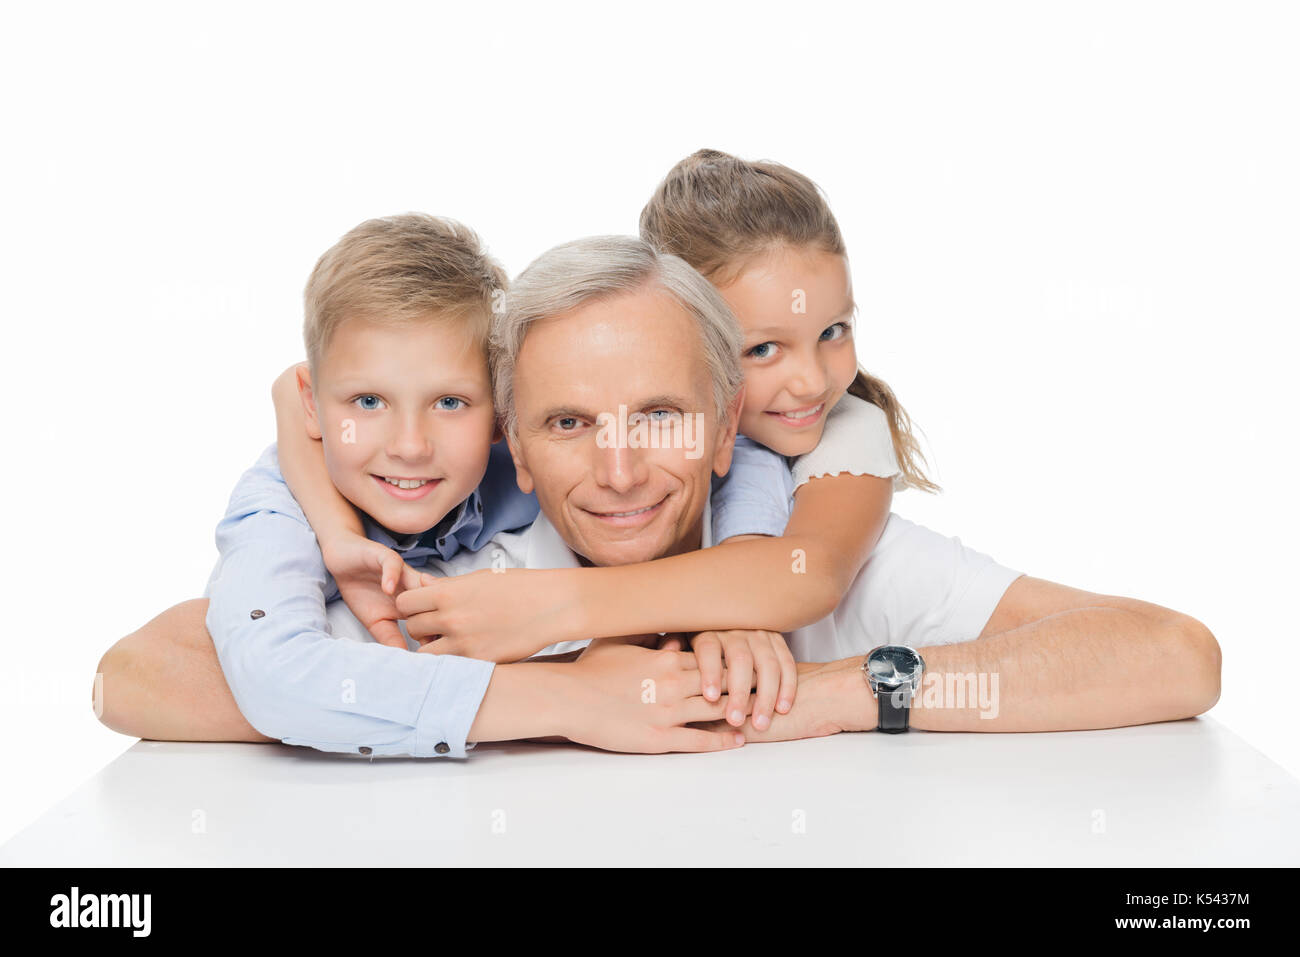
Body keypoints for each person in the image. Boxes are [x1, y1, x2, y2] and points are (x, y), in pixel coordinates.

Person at [99, 234, 1220, 748]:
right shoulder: (470, 570)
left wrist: (822, 696)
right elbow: (139, 676)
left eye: (661, 417)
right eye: (570, 425)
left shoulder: (812, 560)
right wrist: (568, 697)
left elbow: (1168, 657)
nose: (622, 468)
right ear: (515, 454)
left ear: (729, 426)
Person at [94, 216, 749, 756]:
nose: (410, 445)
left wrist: (743, 609)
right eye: (369, 400)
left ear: (498, 419)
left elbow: (759, 482)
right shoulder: (294, 510)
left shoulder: (532, 464)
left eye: (450, 403)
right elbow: (205, 673)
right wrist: (571, 696)